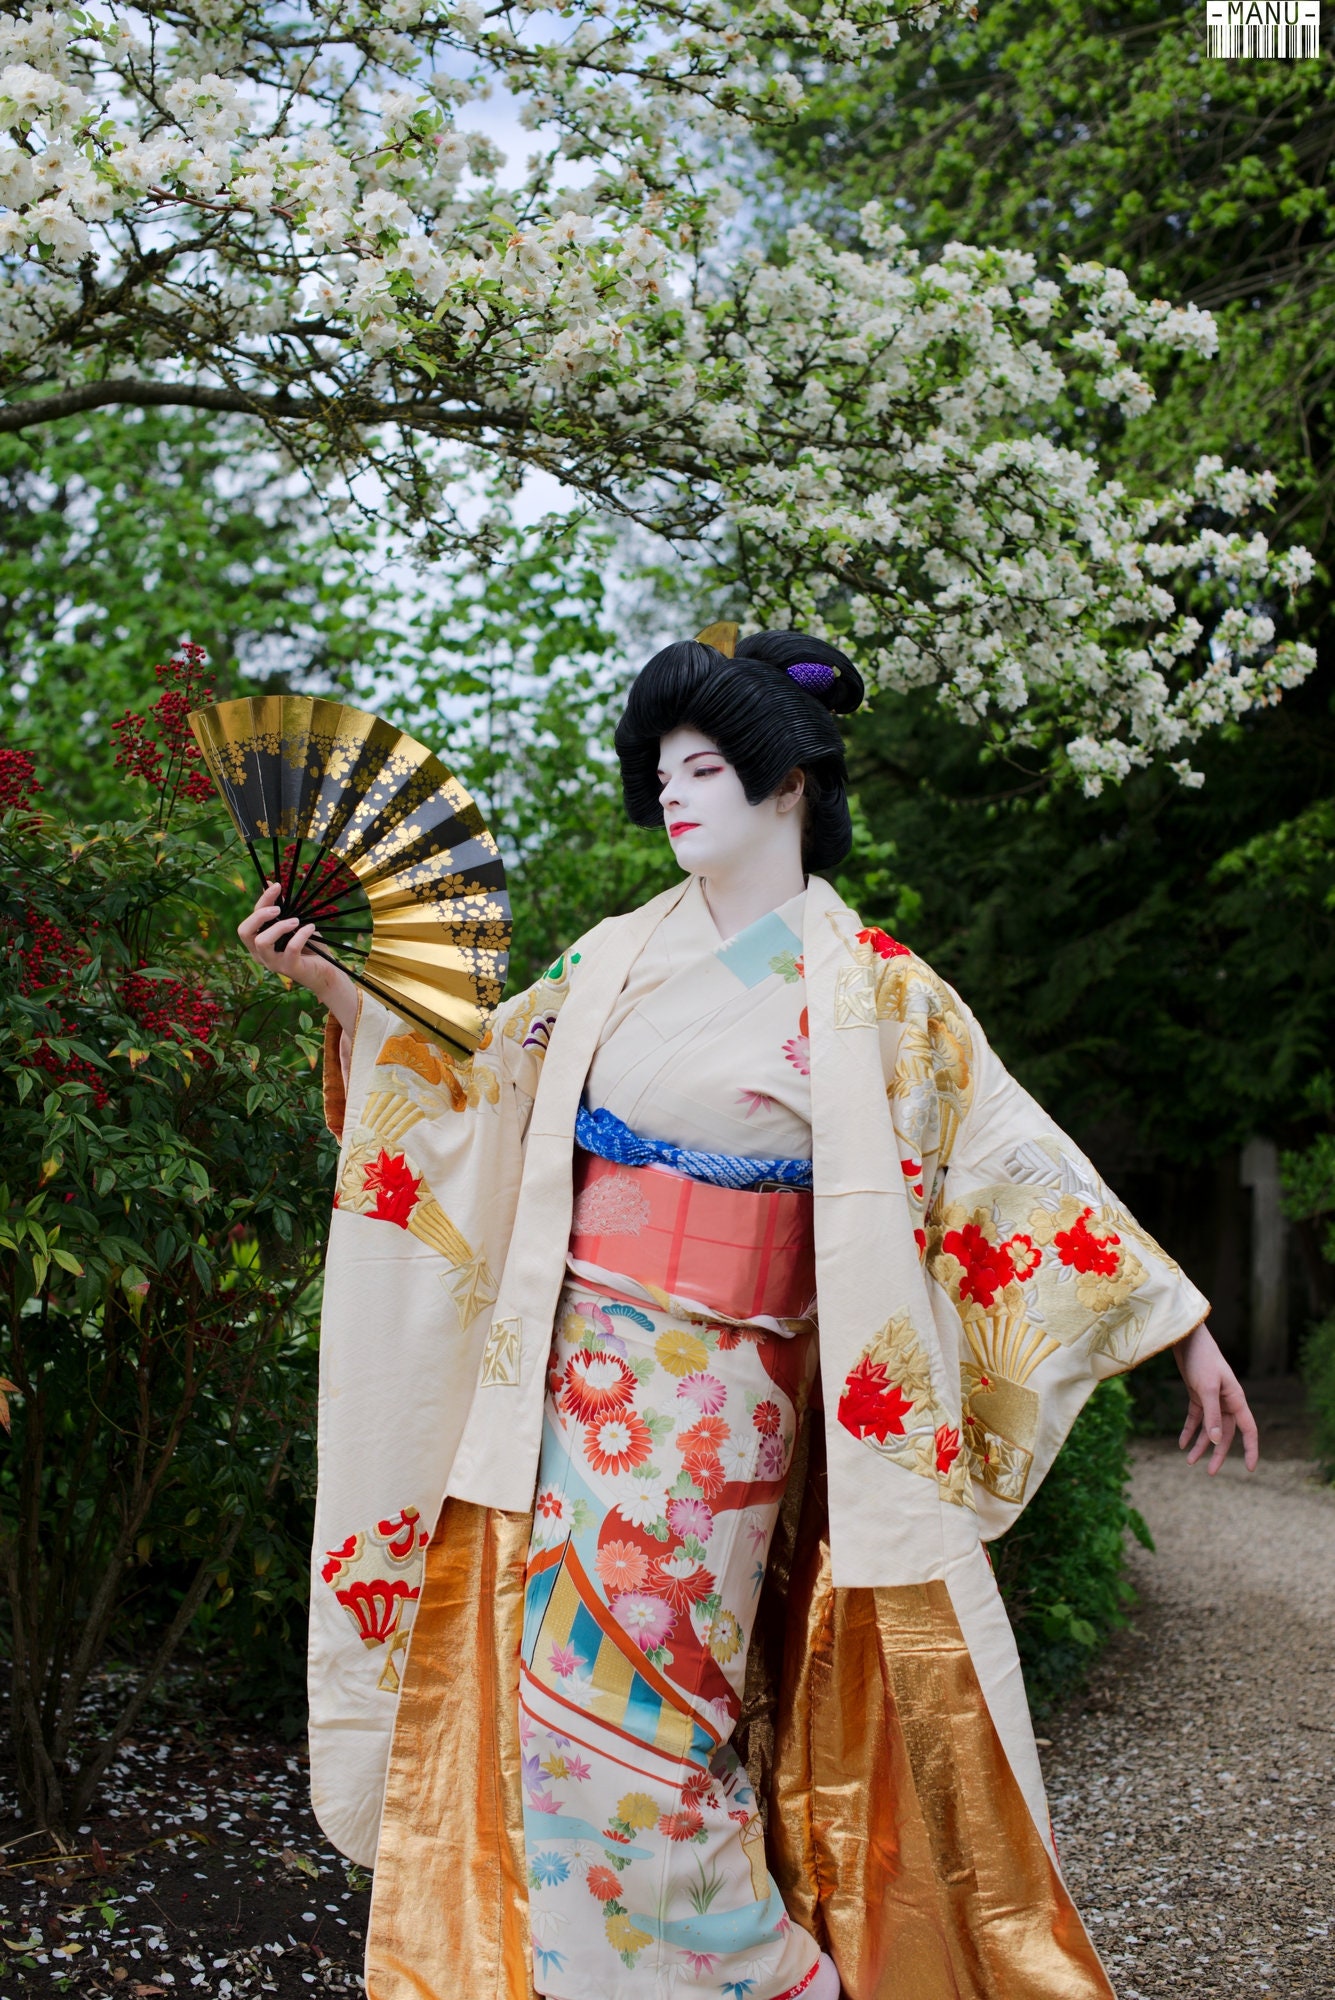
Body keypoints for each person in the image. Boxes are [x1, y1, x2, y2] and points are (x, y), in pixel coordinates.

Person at [239, 628, 1258, 2000]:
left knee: (652, 1732)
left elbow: (1014, 1163)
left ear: (790, 787)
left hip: (724, 1409)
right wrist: (329, 981)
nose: (676, 796)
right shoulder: (609, 961)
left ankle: (774, 1980)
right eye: (661, 770)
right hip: (573, 1393)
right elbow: (473, 1088)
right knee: (557, 1726)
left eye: (708, 767)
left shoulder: (881, 993)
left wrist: (1178, 1327)